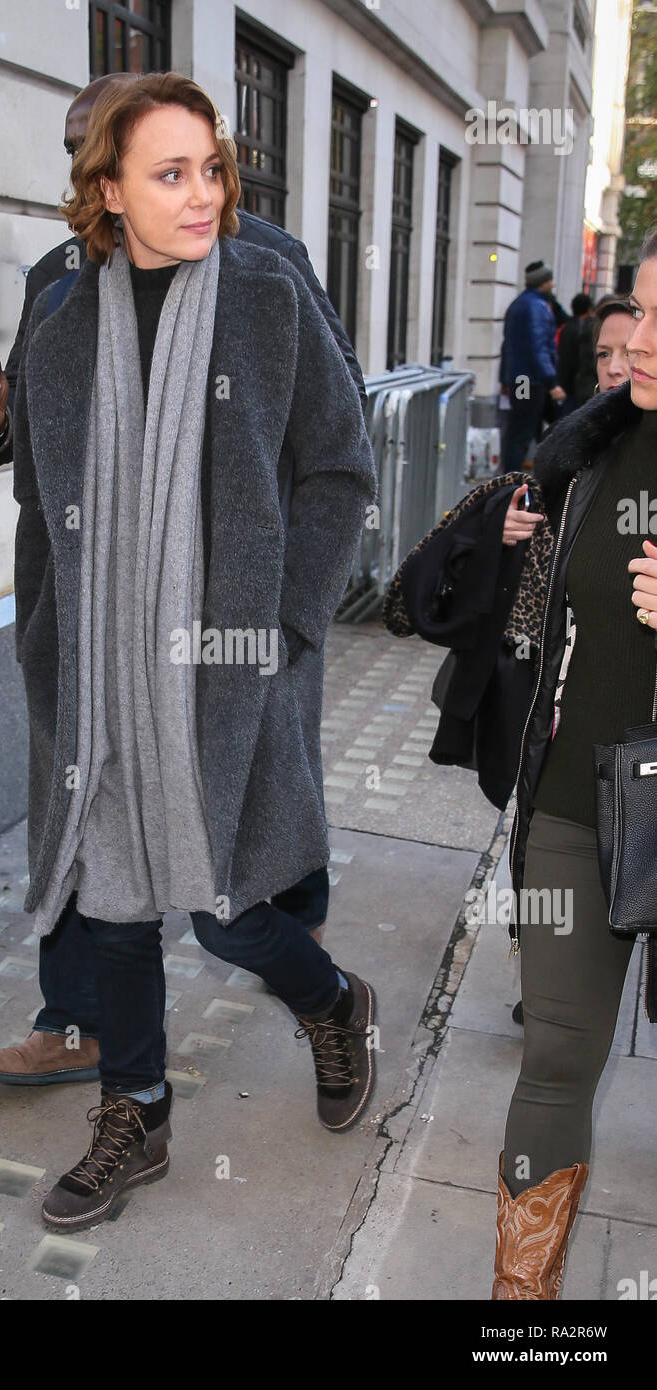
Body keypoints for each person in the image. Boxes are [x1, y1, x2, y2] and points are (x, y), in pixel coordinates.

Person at [6, 71, 377, 1231]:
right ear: (107, 190)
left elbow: (338, 468)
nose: (204, 194)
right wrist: (43, 647)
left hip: (227, 666)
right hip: (102, 671)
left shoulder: (265, 291)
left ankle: (329, 1004)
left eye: (210, 168)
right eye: (170, 174)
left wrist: (283, 626)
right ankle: (138, 1111)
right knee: (115, 908)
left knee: (222, 907)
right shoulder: (60, 313)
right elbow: (37, 495)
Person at [490, 228, 657, 1298]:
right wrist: (513, 538)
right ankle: (522, 1310)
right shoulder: (593, 442)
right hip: (573, 805)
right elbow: (536, 619)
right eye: (635, 309)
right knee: (553, 1058)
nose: (632, 337)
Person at [499, 263, 566, 472]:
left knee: (519, 427)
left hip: (521, 378)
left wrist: (504, 377)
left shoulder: (519, 304)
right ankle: (512, 476)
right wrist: (551, 381)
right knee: (522, 429)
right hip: (529, 379)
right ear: (543, 283)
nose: (553, 284)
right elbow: (538, 347)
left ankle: (512, 472)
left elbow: (507, 344)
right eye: (550, 280)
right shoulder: (535, 308)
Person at [556, 292, 596, 411]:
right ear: (589, 309)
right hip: (573, 385)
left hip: (565, 380)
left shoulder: (567, 326)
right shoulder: (583, 329)